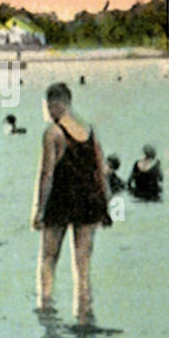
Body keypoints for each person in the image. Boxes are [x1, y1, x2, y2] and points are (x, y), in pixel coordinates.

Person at [32, 82, 111, 321]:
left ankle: (45, 309)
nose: (47, 111)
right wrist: (106, 206)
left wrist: (38, 210)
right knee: (83, 265)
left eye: (48, 106)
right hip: (89, 201)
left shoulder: (53, 132)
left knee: (48, 258)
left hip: (61, 200)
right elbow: (101, 169)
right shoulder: (90, 129)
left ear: (56, 104)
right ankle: (84, 313)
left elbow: (46, 175)